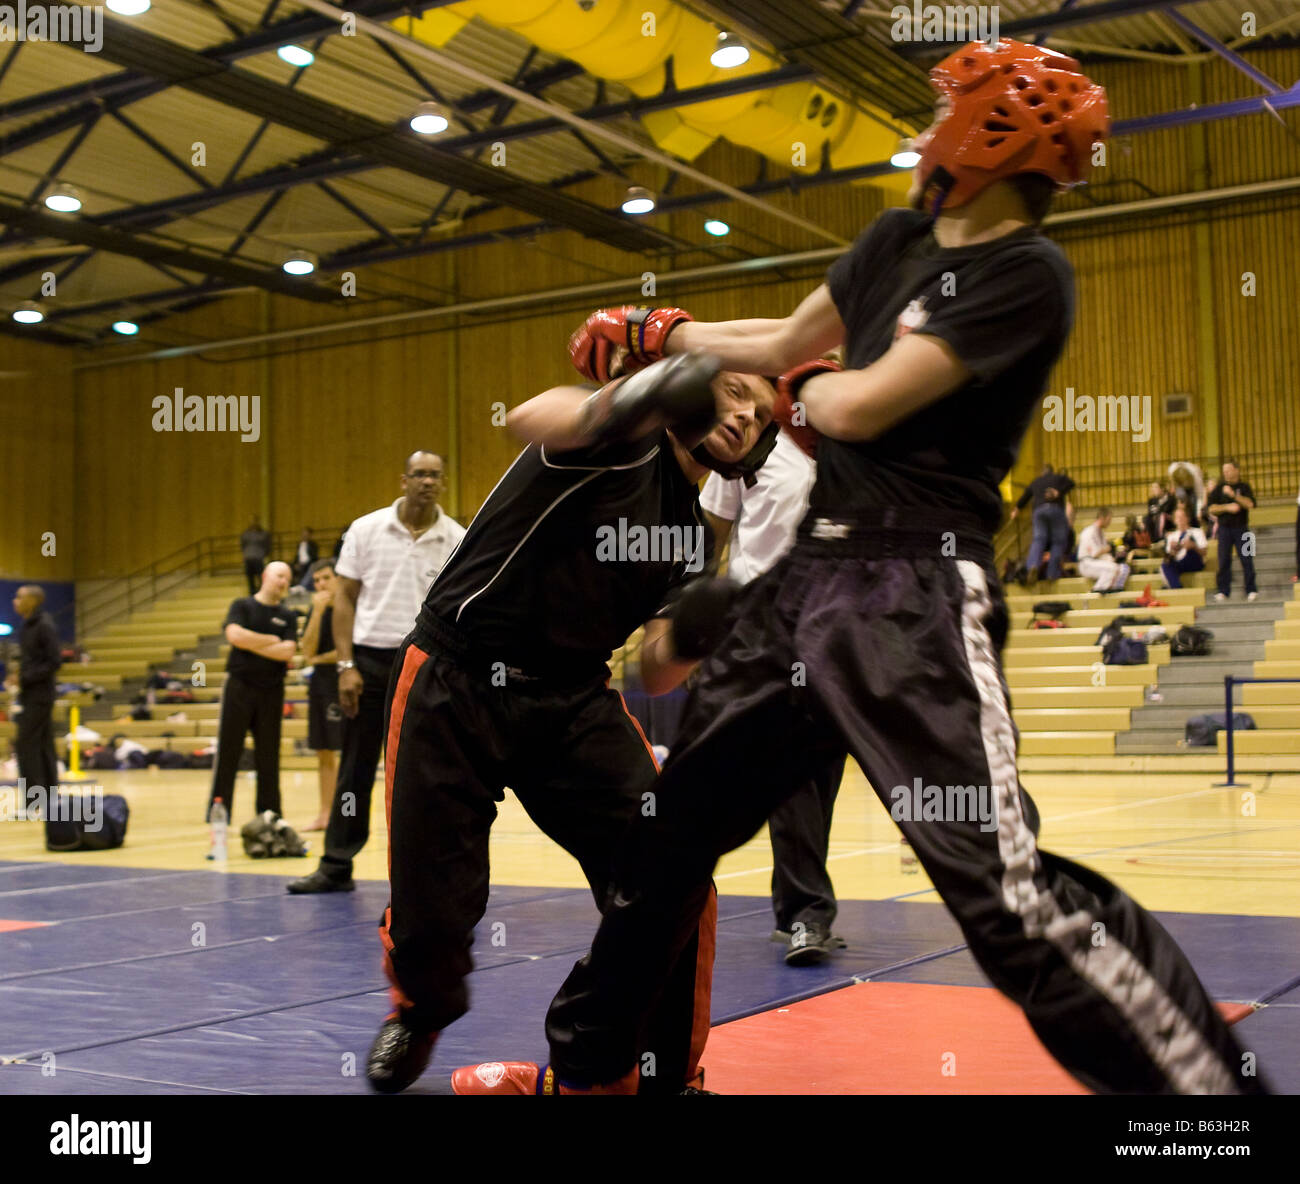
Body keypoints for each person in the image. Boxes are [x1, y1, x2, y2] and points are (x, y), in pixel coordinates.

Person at [459, 38, 1265, 1096]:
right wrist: (669, 332)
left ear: (987, 130)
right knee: (663, 843)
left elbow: (860, 399)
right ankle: (591, 1073)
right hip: (802, 585)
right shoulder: (894, 241)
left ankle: (1209, 1100)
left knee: (1000, 892)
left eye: (949, 106)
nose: (928, 127)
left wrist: (799, 386)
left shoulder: (1028, 272)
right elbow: (790, 332)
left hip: (912, 592)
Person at [364, 352, 778, 1097]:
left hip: (571, 699)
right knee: (434, 902)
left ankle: (663, 1073)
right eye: (740, 393)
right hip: (454, 676)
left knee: (670, 870)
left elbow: (652, 669)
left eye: (761, 416)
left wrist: (695, 633)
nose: (746, 415)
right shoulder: (622, 440)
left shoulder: (690, 534)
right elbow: (531, 416)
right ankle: (421, 1012)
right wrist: (637, 393)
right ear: (697, 385)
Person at [699, 381, 847, 965]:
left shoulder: (846, 454)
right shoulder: (748, 448)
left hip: (835, 630)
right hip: (763, 630)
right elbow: (710, 539)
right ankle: (807, 915)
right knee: (792, 776)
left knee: (822, 776)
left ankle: (796, 907)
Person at [287, 452, 465, 893]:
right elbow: (344, 599)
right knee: (355, 769)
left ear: (442, 483)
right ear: (403, 479)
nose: (427, 482)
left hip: (425, 666)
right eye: (420, 474)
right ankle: (336, 864)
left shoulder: (456, 538)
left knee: (424, 773)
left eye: (435, 476)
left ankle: (426, 874)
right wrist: (345, 665)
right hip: (367, 664)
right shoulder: (365, 530)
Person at [206, 561, 298, 821]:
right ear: (265, 576)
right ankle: (219, 812)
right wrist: (271, 641)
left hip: (272, 690)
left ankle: (270, 814)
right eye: (280, 575)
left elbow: (288, 651)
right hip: (239, 687)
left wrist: (251, 642)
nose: (284, 582)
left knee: (268, 755)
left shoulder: (288, 615)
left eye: (288, 579)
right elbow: (234, 636)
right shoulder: (242, 605)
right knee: (228, 751)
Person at [5, 586, 61, 808]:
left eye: (19, 597)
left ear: (32, 600)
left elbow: (53, 662)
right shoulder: (28, 626)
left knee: (25, 745)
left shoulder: (43, 625)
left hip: (40, 695)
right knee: (44, 745)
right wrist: (18, 676)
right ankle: (49, 798)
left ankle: (33, 801)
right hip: (31, 693)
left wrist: (24, 677)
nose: (15, 601)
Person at [299, 558, 343, 832]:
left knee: (347, 751)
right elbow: (306, 651)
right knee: (323, 750)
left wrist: (321, 658)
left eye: (326, 578)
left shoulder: (352, 606)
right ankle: (325, 813)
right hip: (320, 685)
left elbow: (350, 651)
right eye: (316, 581)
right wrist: (316, 612)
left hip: (345, 683)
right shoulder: (316, 609)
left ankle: (346, 813)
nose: (321, 585)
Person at [1011, 463, 1073, 581]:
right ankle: (1052, 573)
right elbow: (1070, 483)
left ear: (1042, 473)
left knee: (1038, 540)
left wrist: (1016, 509)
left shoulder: (1036, 481)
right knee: (1058, 542)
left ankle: (1032, 566)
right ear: (1052, 471)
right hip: (1055, 510)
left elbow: (1026, 496)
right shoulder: (1057, 478)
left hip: (1039, 511)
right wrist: (1059, 491)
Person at [1206, 459, 1258, 602]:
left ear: (1236, 470)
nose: (1226, 473)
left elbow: (1251, 504)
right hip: (1224, 529)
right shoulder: (1219, 488)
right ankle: (1223, 590)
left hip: (1243, 528)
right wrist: (1227, 507)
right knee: (1223, 560)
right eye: (1224, 471)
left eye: (1228, 470)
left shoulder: (1244, 486)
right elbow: (1211, 508)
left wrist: (1234, 496)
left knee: (1247, 559)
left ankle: (1251, 589)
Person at [1076, 508, 1130, 593]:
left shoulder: (1100, 533)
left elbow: (1104, 554)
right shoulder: (1089, 531)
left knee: (1121, 568)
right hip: (1086, 563)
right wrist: (1108, 548)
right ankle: (1096, 591)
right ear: (1102, 518)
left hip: (1095, 562)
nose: (1109, 523)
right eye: (1108, 520)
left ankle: (1111, 589)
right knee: (1111, 568)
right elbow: (1095, 553)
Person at [1160, 504, 1208, 589]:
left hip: (1194, 561)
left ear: (1187, 518)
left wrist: (1193, 546)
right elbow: (1168, 558)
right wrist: (1173, 551)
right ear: (1174, 520)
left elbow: (1204, 553)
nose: (1180, 519)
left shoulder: (1197, 532)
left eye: (1182, 516)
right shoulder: (1171, 536)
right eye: (1178, 517)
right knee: (1165, 564)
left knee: (1190, 550)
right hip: (1180, 562)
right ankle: (1177, 587)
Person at [240, 518, 273, 595]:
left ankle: (263, 592)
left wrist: (264, 554)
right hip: (248, 558)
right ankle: (252, 593)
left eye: (254, 521)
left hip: (259, 557)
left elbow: (268, 546)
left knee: (261, 576)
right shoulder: (245, 534)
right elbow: (243, 546)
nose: (253, 523)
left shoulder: (264, 533)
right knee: (250, 577)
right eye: (251, 521)